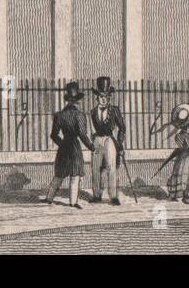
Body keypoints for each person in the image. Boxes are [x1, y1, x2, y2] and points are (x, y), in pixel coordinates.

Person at [44, 81, 97, 207]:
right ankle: (73, 202)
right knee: (75, 175)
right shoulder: (80, 115)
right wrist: (91, 146)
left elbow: (53, 135)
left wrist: (62, 143)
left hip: (63, 148)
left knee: (59, 175)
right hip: (74, 147)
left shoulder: (59, 115)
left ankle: (49, 198)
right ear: (77, 101)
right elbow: (83, 135)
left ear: (68, 100)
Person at [90, 76, 127, 205]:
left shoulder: (115, 110)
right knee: (96, 167)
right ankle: (96, 195)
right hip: (97, 140)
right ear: (97, 98)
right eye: (101, 96)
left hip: (109, 140)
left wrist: (120, 142)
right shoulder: (93, 112)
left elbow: (122, 128)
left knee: (111, 167)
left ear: (109, 97)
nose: (103, 99)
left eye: (106, 96)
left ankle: (113, 196)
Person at [150, 102, 189, 201]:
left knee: (178, 172)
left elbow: (180, 146)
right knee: (185, 173)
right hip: (186, 156)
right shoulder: (186, 135)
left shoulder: (177, 135)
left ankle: (175, 194)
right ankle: (183, 194)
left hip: (180, 157)